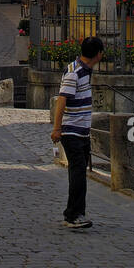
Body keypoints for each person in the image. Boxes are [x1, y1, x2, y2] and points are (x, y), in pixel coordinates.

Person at [50, 36, 105, 228]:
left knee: (79, 173)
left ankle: (77, 212)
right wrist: (57, 128)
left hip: (82, 132)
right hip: (72, 131)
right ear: (98, 54)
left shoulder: (85, 71)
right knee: (78, 173)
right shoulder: (74, 72)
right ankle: (72, 215)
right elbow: (62, 100)